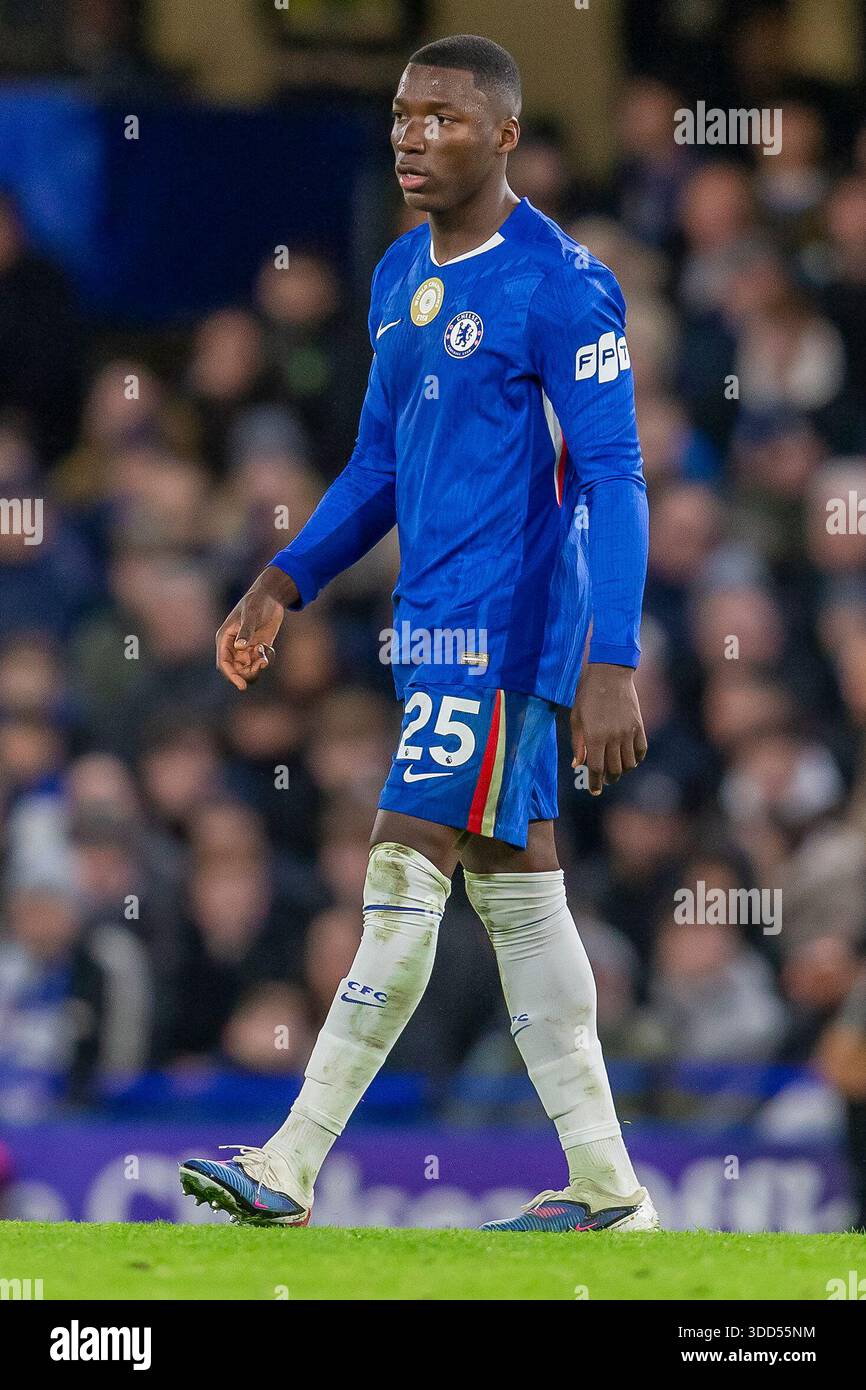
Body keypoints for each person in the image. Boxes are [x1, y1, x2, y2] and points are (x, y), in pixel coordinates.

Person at [179, 34, 655, 1234]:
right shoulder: (399, 275)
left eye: (443, 118)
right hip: (431, 625)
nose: (413, 136)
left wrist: (613, 659)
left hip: (509, 628)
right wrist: (283, 580)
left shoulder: (558, 281)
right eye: (401, 116)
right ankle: (605, 1187)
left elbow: (617, 476)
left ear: (503, 135)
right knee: (517, 896)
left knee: (399, 861)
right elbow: (378, 465)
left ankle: (289, 1163)